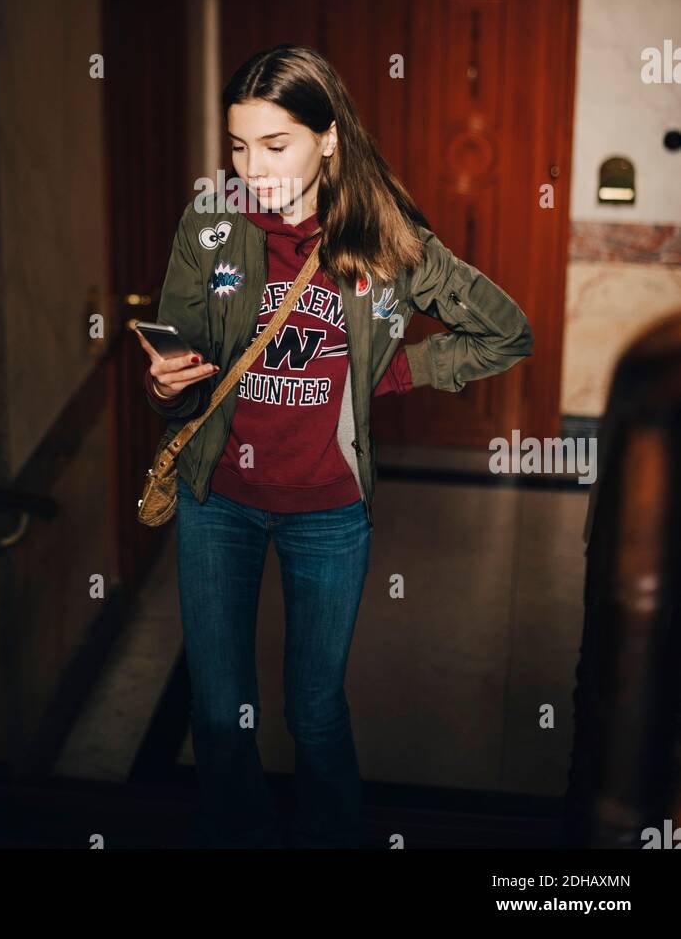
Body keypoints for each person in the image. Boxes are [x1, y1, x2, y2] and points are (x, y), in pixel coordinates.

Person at [135, 43, 533, 849]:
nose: (253, 170)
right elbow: (181, 364)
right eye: (238, 147)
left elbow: (506, 332)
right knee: (217, 715)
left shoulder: (384, 238)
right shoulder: (210, 223)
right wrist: (167, 385)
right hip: (218, 501)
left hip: (328, 512)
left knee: (314, 712)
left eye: (275, 145)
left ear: (327, 139)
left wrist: (393, 372)